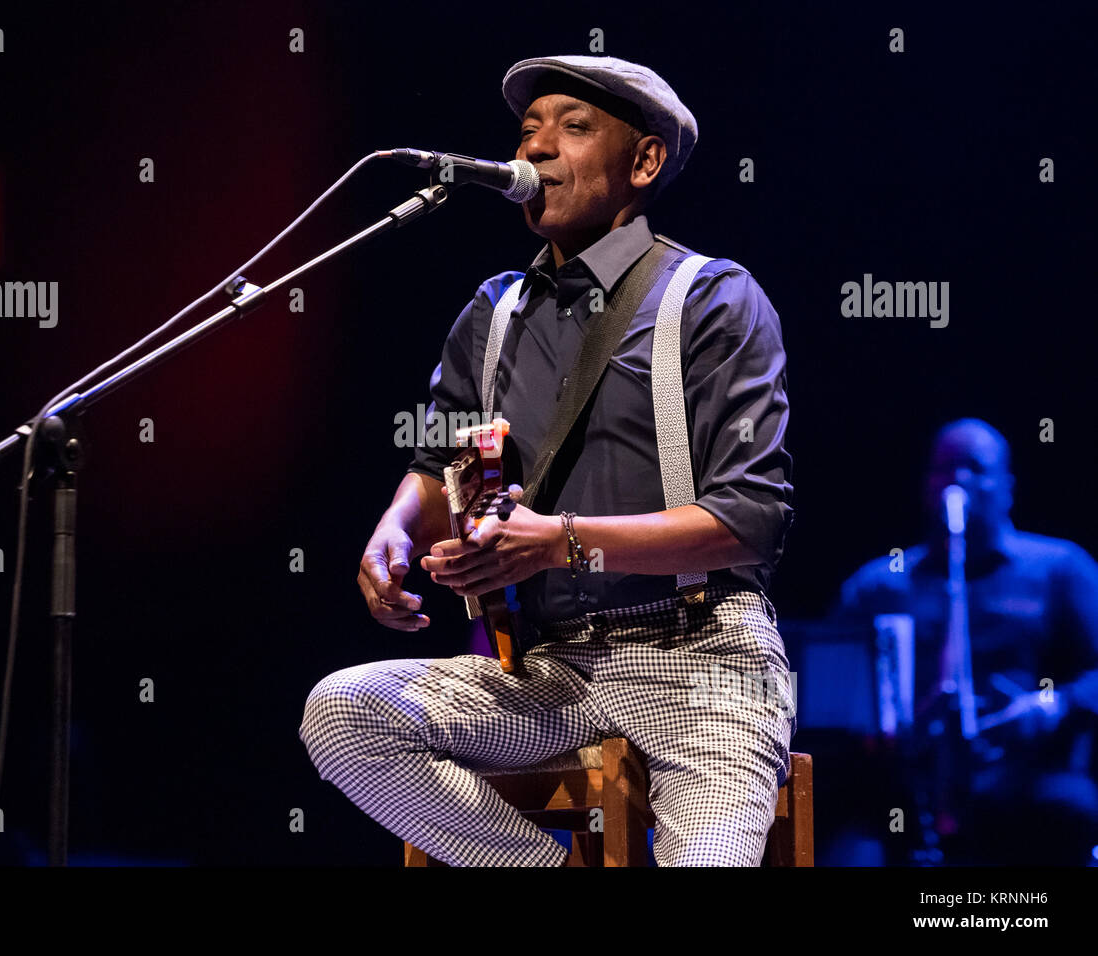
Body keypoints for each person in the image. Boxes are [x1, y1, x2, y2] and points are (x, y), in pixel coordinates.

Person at [299, 54, 796, 866]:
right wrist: (394, 529)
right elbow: (437, 465)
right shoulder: (494, 311)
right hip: (545, 667)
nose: (536, 149)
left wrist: (561, 539)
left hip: (702, 661)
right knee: (343, 713)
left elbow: (750, 521)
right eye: (528, 131)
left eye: (572, 127)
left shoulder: (711, 297)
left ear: (642, 162)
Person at [832, 418, 1098, 865]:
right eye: (945, 469)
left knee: (1069, 808)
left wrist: (1053, 706)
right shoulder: (879, 585)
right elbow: (832, 690)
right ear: (924, 485)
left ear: (1008, 486)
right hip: (903, 789)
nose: (958, 481)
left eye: (976, 468)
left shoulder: (1060, 568)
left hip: (1023, 780)